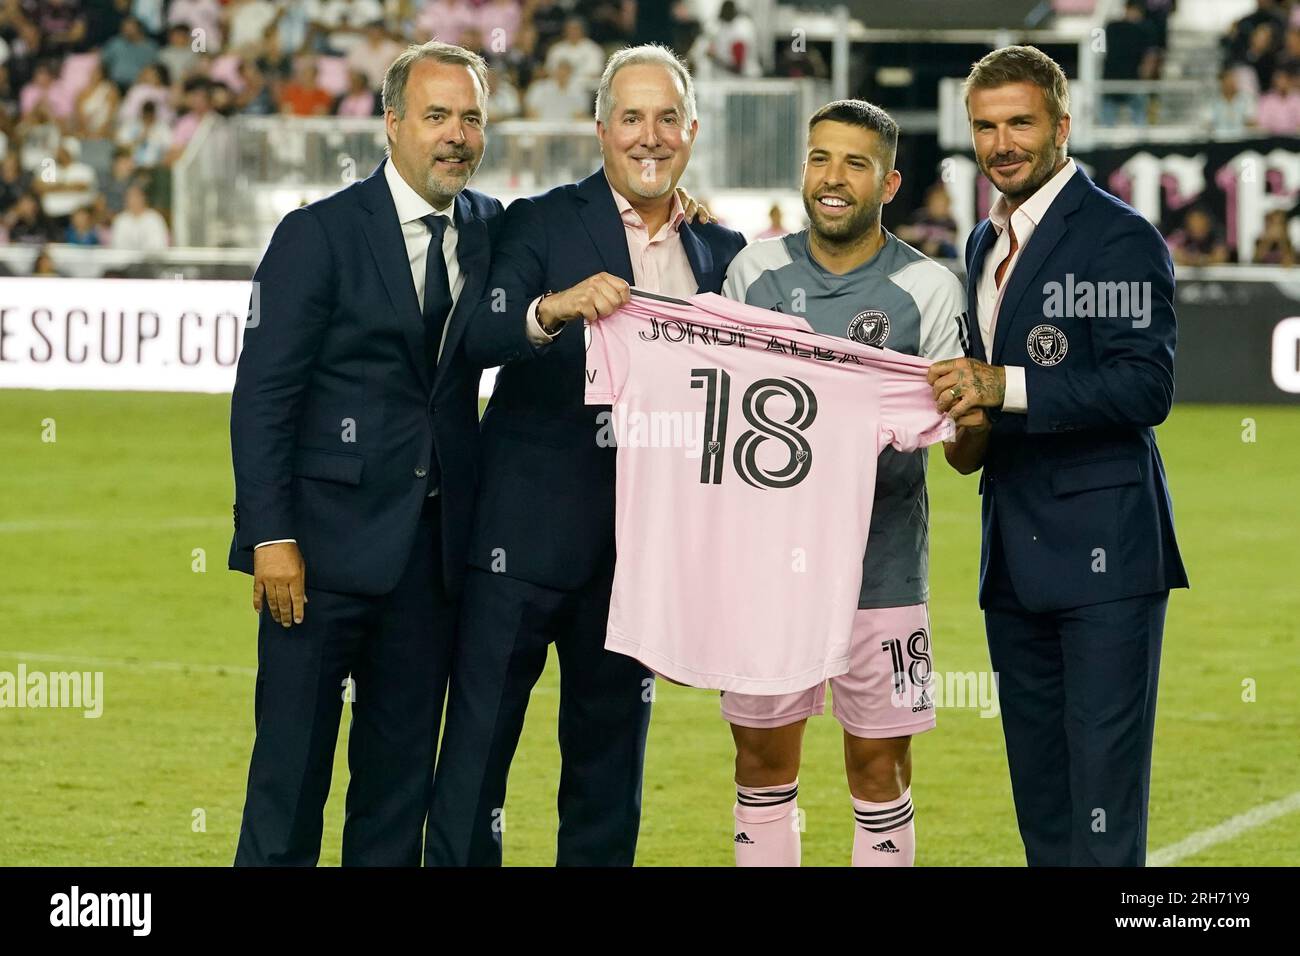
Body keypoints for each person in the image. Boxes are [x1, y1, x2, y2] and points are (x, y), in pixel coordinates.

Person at [426, 43, 746, 868]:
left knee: (609, 777)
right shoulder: (540, 219)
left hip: (640, 561)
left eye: (667, 118)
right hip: (520, 545)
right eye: (631, 118)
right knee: (473, 768)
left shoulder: (720, 252)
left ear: (692, 130)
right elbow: (482, 339)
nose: (650, 136)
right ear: (599, 128)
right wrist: (553, 309)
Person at [228, 40, 504, 866]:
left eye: (471, 117)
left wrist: (681, 206)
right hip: (316, 559)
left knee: (396, 794)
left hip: (431, 565)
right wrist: (271, 536)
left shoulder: (492, 227)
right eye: (436, 116)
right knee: (289, 781)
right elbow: (264, 396)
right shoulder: (317, 234)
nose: (455, 135)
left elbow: (583, 224)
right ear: (391, 124)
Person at [930, 45, 1187, 867]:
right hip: (1012, 562)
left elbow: (1143, 388)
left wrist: (1001, 386)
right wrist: (964, 422)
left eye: (1020, 123)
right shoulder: (981, 242)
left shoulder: (1118, 237)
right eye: (985, 126)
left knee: (1103, 811)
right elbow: (990, 398)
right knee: (1041, 803)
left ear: (1062, 126)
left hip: (1106, 561)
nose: (1002, 143)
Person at [719, 100, 965, 867]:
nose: (833, 178)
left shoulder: (929, 290)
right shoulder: (751, 274)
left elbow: (963, 448)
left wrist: (973, 407)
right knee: (761, 761)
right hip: (767, 575)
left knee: (880, 767)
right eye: (821, 158)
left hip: (885, 568)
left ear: (888, 183)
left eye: (855, 163)